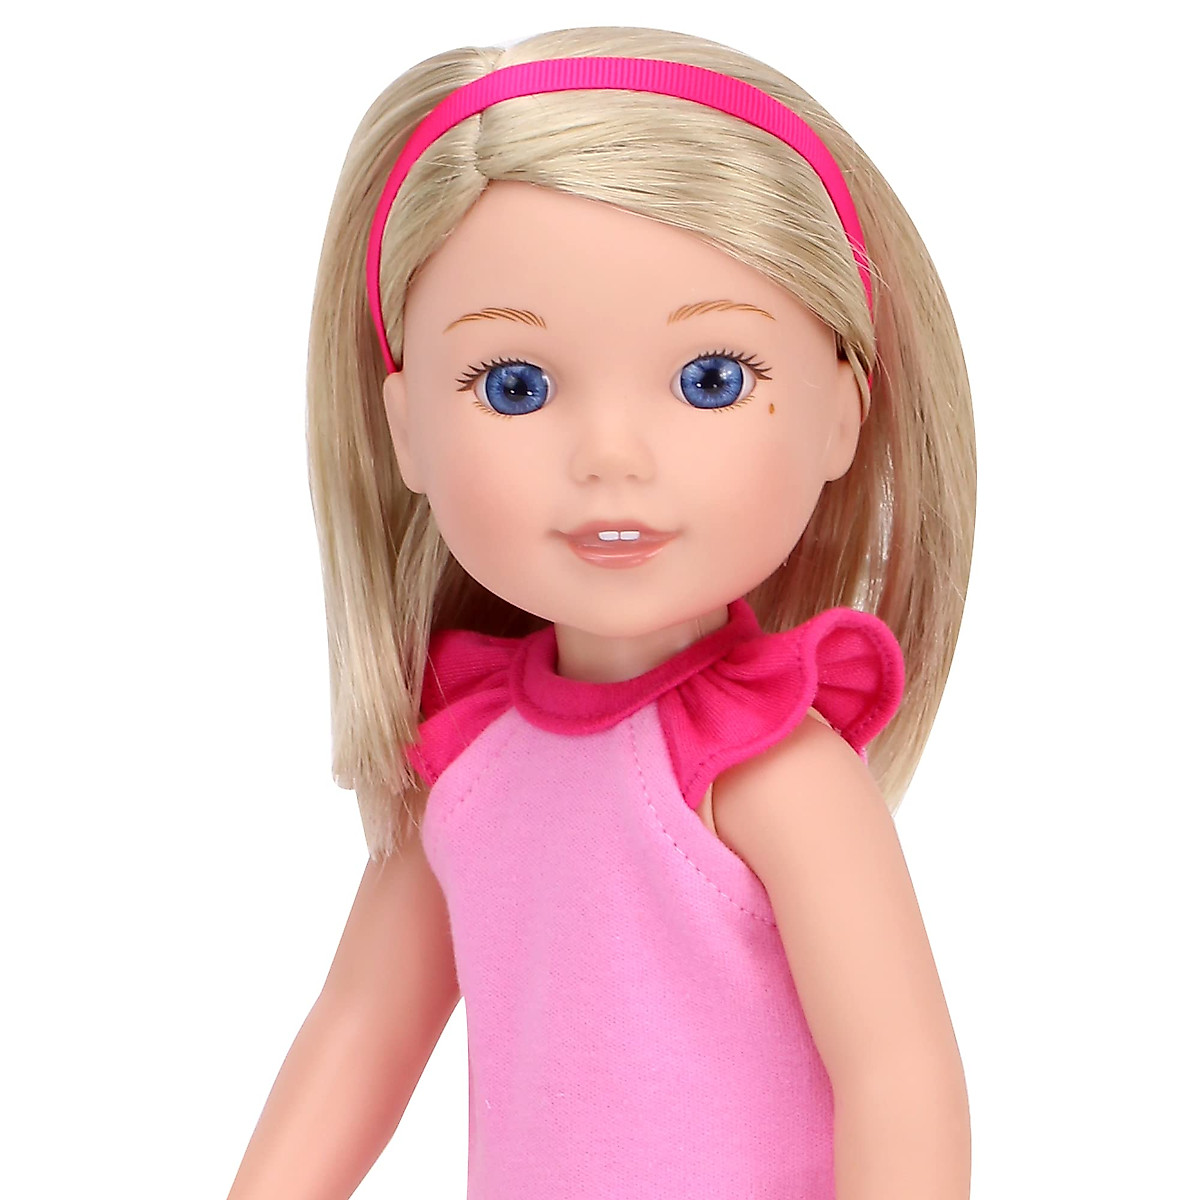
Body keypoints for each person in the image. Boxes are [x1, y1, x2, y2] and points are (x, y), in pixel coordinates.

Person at [228, 26, 975, 1200]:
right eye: (515, 386)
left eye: (710, 380)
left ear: (843, 412)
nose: (611, 456)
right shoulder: (467, 759)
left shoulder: (773, 773)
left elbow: (901, 1080)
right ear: (405, 428)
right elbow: (360, 1030)